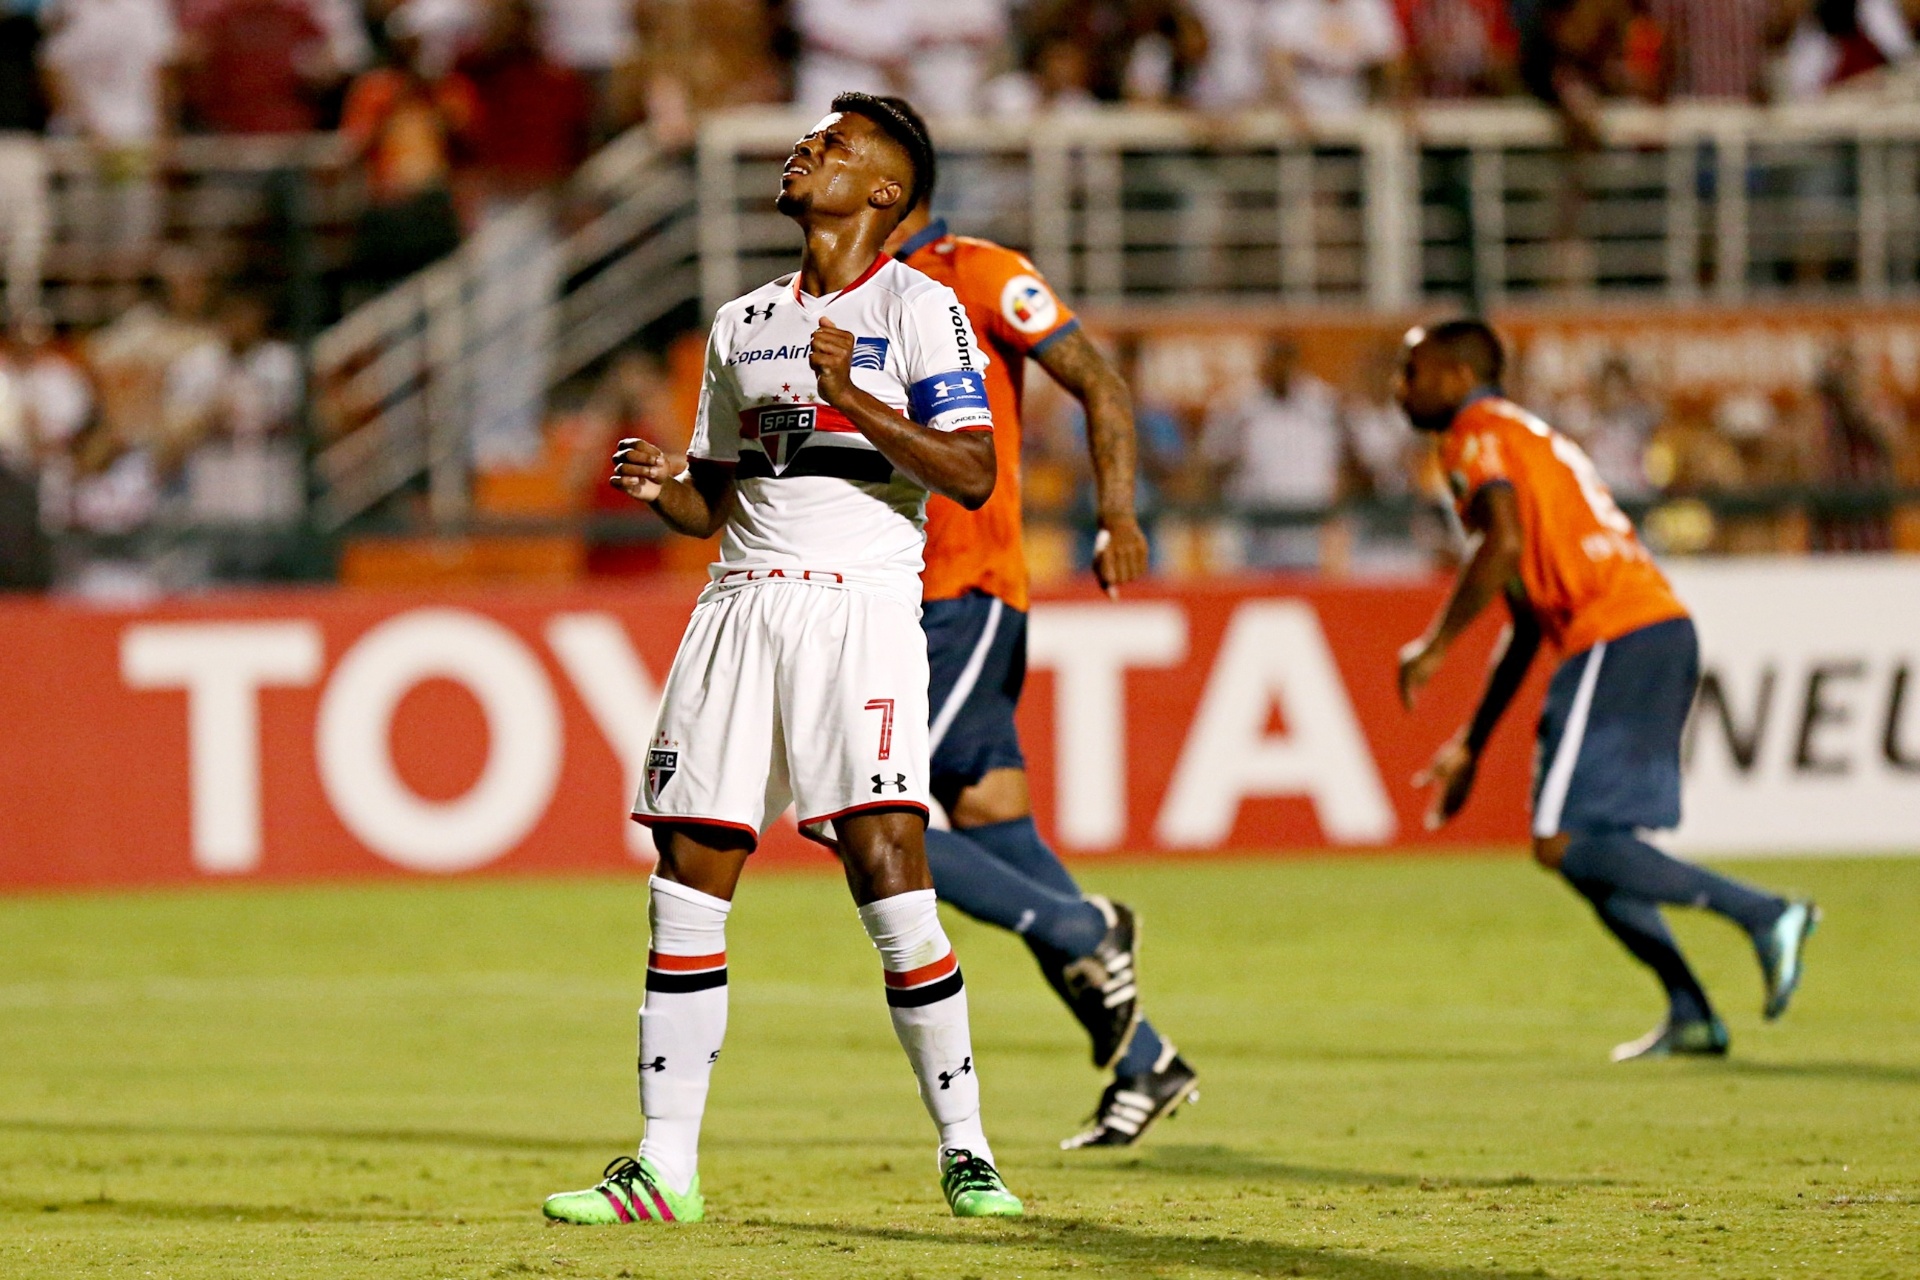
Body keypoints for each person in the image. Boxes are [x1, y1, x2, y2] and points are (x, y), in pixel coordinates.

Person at [542, 93, 1022, 1226]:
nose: (808, 150)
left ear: (886, 192)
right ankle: (665, 1165)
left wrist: (853, 396)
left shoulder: (920, 309)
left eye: (836, 145)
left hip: (858, 610)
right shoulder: (741, 322)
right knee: (687, 872)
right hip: (736, 607)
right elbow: (713, 499)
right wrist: (666, 486)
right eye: (812, 138)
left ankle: (967, 1148)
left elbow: (972, 472)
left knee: (888, 866)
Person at [877, 97, 1198, 1149]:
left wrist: (1117, 512)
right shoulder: (849, 295)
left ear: (891, 182)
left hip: (960, 593)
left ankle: (1082, 924)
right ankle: (1147, 1061)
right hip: (897, 597)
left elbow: (1097, 379)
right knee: (996, 831)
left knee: (869, 812)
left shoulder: (976, 272)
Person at [1394, 319, 1819, 1062]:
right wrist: (1473, 743)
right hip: (1648, 630)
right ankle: (1691, 1013)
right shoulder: (1528, 437)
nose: (1402, 388)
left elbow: (1501, 546)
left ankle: (1766, 913)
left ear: (1458, 375)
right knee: (1585, 848)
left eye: (1414, 371)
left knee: (1566, 841)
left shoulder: (1474, 435)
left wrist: (1434, 645)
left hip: (1616, 632)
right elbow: (1527, 620)